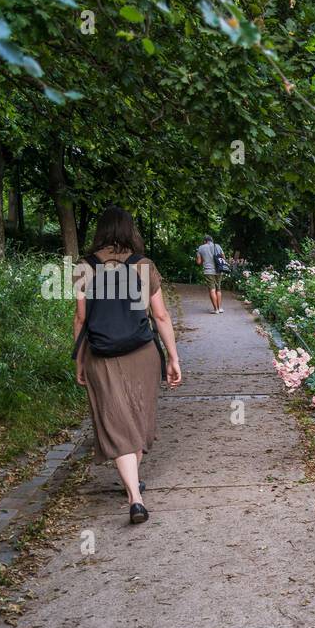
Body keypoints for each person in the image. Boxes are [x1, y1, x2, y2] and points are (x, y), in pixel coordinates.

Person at [73, 206, 182, 524]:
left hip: (100, 355)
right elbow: (160, 316)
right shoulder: (142, 266)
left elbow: (81, 318)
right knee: (136, 418)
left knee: (117, 422)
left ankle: (134, 492)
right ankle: (135, 494)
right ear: (130, 230)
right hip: (141, 352)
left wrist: (79, 359)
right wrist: (173, 357)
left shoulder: (85, 267)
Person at [195, 234, 225, 313]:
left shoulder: (201, 248)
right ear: (211, 240)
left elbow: (198, 262)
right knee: (218, 289)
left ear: (204, 241)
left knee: (212, 290)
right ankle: (220, 308)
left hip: (208, 271)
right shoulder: (217, 246)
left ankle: (216, 310)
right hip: (219, 270)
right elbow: (223, 258)